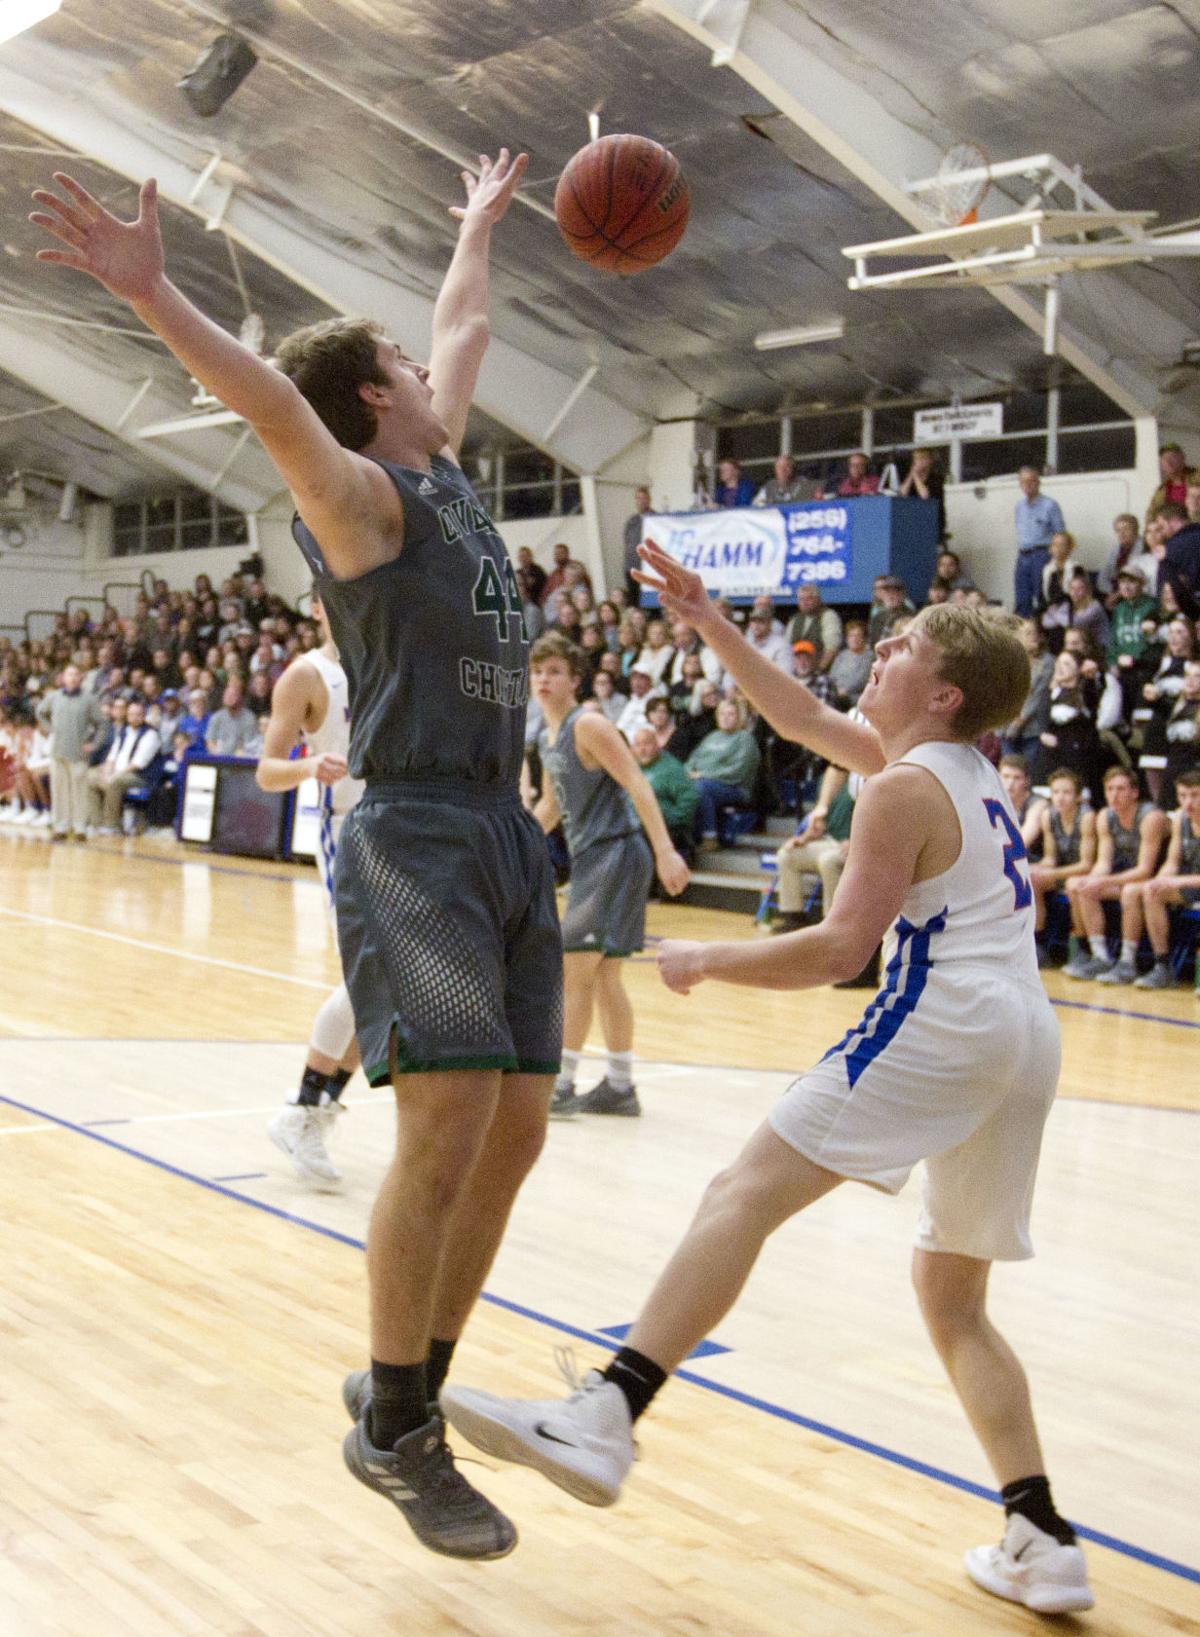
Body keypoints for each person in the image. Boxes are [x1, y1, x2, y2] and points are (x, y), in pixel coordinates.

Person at [32, 150, 566, 1559]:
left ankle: (412, 1388)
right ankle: (395, 1427)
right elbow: (276, 401)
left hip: (506, 822)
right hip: (419, 832)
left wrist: (474, 229)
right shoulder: (359, 501)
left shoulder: (437, 463)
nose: (427, 356)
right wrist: (157, 297)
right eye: (399, 359)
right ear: (374, 397)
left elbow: (463, 325)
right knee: (444, 1130)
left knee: (513, 1137)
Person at [442, 547, 1094, 1618]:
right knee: (953, 1296)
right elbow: (794, 715)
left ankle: (610, 1410)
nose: (877, 654)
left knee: (740, 1191)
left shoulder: (896, 789)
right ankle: (1042, 1531)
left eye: (899, 648)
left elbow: (844, 948)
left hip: (952, 1014)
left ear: (943, 692)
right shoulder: (961, 771)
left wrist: (712, 959)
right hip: (1026, 1035)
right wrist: (705, 618)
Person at [529, 633, 688, 1119]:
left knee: (574, 964)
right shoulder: (544, 736)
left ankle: (561, 1083)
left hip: (617, 853)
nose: (543, 680)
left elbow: (637, 782)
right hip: (593, 858)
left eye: (554, 671)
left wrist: (665, 851)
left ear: (575, 680)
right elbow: (552, 807)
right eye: (537, 671)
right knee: (603, 976)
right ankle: (620, 1086)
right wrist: (517, 848)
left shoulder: (590, 725)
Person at [256, 594, 365, 1184]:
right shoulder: (306, 674)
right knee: (364, 979)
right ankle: (301, 1108)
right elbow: (266, 770)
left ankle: (314, 1110)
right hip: (347, 830)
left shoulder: (388, 660)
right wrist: (308, 767)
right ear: (319, 606)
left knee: (385, 996)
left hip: (402, 827)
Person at [1062, 767, 1168, 981]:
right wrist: (1091, 880)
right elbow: (1103, 863)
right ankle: (1098, 956)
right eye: (1109, 789)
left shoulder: (1151, 817)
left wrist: (1103, 881)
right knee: (1077, 885)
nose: (1114, 795)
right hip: (1128, 876)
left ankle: (1127, 962)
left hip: (1153, 878)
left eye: (1120, 789)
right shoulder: (1105, 816)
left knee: (1129, 891)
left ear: (1135, 793)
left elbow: (1145, 870)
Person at [1113, 769, 1200, 990]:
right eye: (1182, 795)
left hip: (1191, 881)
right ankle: (1158, 964)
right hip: (1190, 881)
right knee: (1147, 891)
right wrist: (1160, 881)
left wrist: (1175, 882)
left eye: (1194, 795)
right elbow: (1172, 861)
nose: (1187, 802)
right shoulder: (1181, 817)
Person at [771, 761, 853, 932]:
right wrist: (805, 837)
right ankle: (794, 917)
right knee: (787, 854)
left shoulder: (867, 779)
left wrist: (857, 841)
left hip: (854, 846)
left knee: (828, 860)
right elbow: (820, 821)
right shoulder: (828, 779)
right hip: (830, 841)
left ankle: (832, 922)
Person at [1028, 768, 1097, 957]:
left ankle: (1084, 948)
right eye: (1056, 792)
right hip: (1065, 872)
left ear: (1077, 796)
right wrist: (1034, 868)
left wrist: (1048, 873)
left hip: (1087, 874)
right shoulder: (1048, 816)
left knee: (1067, 884)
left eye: (1066, 793)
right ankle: (1038, 944)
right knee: (1031, 878)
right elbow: (1050, 859)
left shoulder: (1087, 817)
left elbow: (1086, 865)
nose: (1060, 798)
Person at [36, 661, 105, 841]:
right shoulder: (54, 697)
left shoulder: (89, 699)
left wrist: (94, 744)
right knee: (59, 791)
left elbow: (103, 723)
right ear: (63, 678)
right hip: (58, 751)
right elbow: (40, 712)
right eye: (69, 674)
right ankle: (60, 827)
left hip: (79, 753)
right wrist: (50, 728)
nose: (73, 678)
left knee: (79, 792)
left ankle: (80, 827)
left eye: (76, 674)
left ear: (81, 677)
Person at [685, 698, 761, 851]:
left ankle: (710, 837)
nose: (725, 718)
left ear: (739, 717)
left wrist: (703, 775)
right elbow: (692, 760)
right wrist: (687, 772)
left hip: (733, 787)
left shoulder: (744, 739)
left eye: (731, 714)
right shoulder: (711, 737)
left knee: (701, 787)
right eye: (722, 714)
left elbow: (738, 771)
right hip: (702, 782)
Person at [85, 697, 160, 834]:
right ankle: (95, 823)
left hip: (140, 776)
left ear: (143, 716)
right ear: (127, 715)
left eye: (138, 714)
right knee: (90, 776)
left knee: (115, 782)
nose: (135, 717)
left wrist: (114, 774)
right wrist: (107, 771)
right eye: (131, 714)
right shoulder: (123, 732)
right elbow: (112, 756)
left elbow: (138, 763)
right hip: (118, 771)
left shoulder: (151, 734)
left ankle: (111, 825)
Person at [629, 725, 698, 858]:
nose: (642, 749)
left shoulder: (671, 768)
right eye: (638, 745)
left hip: (666, 830)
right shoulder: (631, 768)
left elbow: (689, 799)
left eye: (647, 744)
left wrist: (670, 818)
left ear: (657, 745)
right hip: (634, 826)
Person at [1013, 466, 1066, 619]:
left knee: (1043, 596)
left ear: (1038, 482)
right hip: (1023, 556)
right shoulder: (1019, 506)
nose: (1027, 485)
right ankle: (1023, 636)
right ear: (1020, 484)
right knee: (1022, 599)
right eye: (1023, 481)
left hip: (1042, 555)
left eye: (1031, 481)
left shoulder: (1050, 505)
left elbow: (1060, 534)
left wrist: (1059, 562)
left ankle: (1043, 635)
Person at [1098, 514, 1156, 605]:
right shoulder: (1114, 550)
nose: (1121, 533)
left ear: (1135, 530)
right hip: (1116, 594)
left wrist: (1117, 595)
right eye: (1118, 530)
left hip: (1139, 595)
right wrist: (1111, 593)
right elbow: (1102, 579)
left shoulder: (1145, 548)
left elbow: (1141, 580)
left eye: (1126, 529)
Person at [785, 583, 842, 672]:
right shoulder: (795, 619)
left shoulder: (828, 616)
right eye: (801, 599)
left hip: (822, 673)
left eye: (808, 599)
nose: (804, 602)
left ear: (818, 599)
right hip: (796, 673)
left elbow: (832, 649)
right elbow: (786, 648)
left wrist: (819, 671)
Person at [998, 755, 1046, 855]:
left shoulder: (1038, 803)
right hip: (1003, 857)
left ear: (1027, 781)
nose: (1010, 783)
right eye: (1006, 776)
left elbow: (1021, 844)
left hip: (1033, 860)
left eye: (1017, 778)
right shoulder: (993, 800)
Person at [899, 447, 946, 539]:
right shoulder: (910, 478)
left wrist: (915, 476)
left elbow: (925, 496)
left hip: (933, 519)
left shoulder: (936, 478)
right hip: (913, 518)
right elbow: (902, 495)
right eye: (916, 458)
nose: (919, 461)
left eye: (922, 458)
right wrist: (911, 475)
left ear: (930, 461)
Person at [1145, 442, 1197, 525]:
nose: (1169, 461)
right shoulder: (1161, 491)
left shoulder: (1197, 478)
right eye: (1164, 459)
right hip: (1174, 535)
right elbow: (1151, 516)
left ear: (1182, 458)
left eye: (1173, 457)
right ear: (1161, 465)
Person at [205, 680, 259, 757]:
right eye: (227, 696)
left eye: (233, 695)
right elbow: (210, 741)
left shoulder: (249, 718)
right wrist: (217, 755)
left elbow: (250, 744)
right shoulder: (216, 717)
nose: (229, 698)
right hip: (218, 759)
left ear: (240, 697)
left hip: (241, 760)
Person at [622, 485, 654, 600]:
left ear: (649, 500)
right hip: (632, 567)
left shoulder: (657, 519)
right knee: (635, 600)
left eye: (643, 498)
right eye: (638, 498)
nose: (641, 501)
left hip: (649, 569)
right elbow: (627, 541)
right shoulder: (631, 521)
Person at [753, 454, 817, 507]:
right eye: (779, 467)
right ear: (775, 470)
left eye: (787, 466)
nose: (783, 470)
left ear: (793, 469)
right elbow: (756, 505)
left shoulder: (803, 483)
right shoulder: (770, 486)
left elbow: (813, 504)